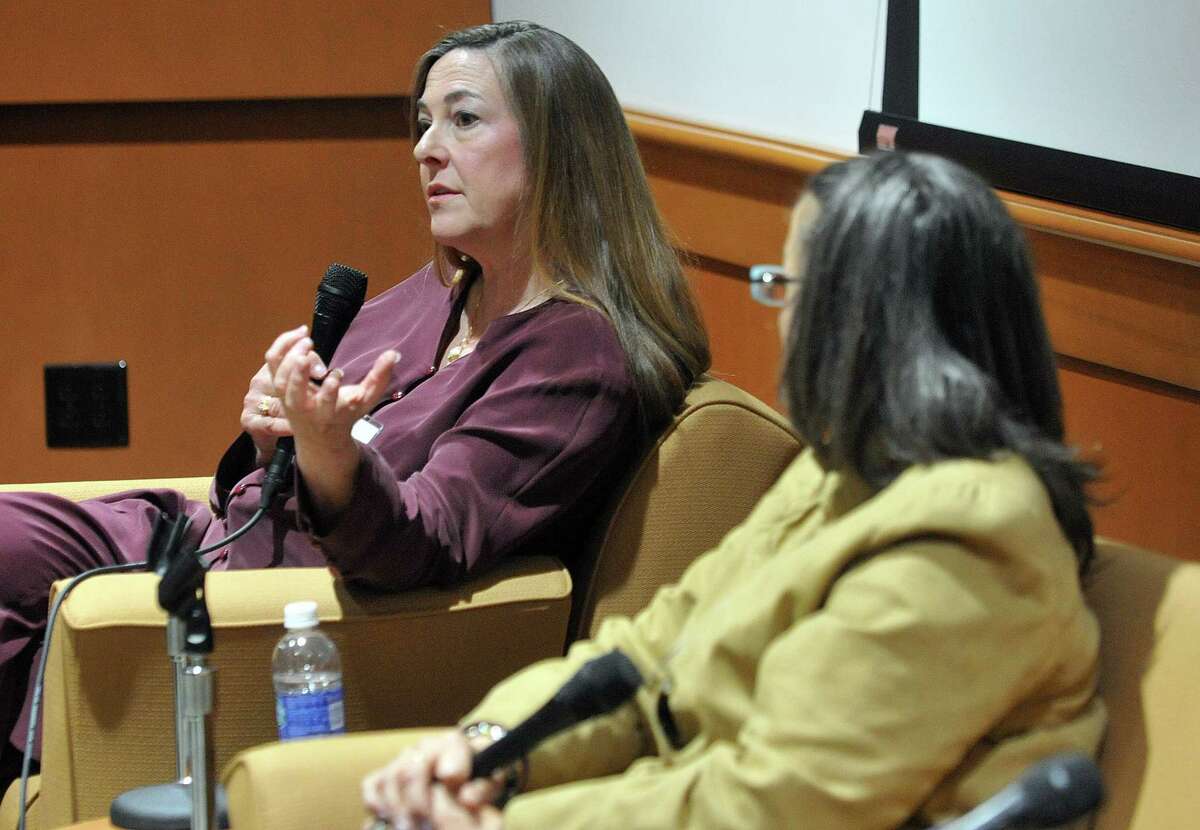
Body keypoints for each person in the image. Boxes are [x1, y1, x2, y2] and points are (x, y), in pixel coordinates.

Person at [0, 21, 710, 794]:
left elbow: (428, 540)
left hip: (275, 605)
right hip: (207, 539)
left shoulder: (575, 356)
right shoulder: (441, 290)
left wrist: (328, 454)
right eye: (423, 123)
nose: (425, 149)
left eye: (463, 119)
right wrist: (276, 437)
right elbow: (291, 464)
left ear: (557, 147)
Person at [360, 152, 1106, 829]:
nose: (782, 321)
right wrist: (488, 751)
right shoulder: (840, 470)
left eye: (787, 290)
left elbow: (768, 806)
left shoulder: (966, 545)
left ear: (862, 322)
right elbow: (645, 659)